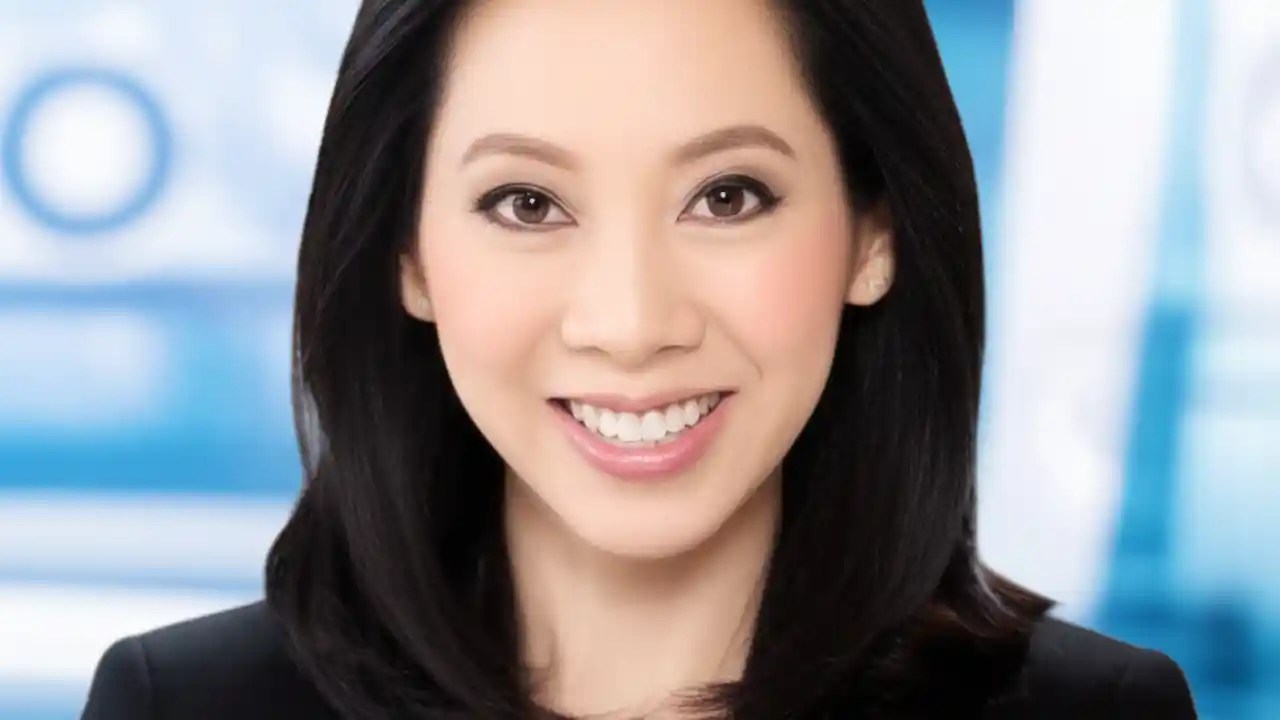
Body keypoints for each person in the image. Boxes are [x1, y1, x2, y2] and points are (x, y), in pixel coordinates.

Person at [80, 0, 1199, 718]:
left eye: (726, 197)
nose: (627, 321)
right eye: (525, 202)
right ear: (406, 253)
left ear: (874, 234)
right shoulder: (186, 705)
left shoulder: (1098, 713)